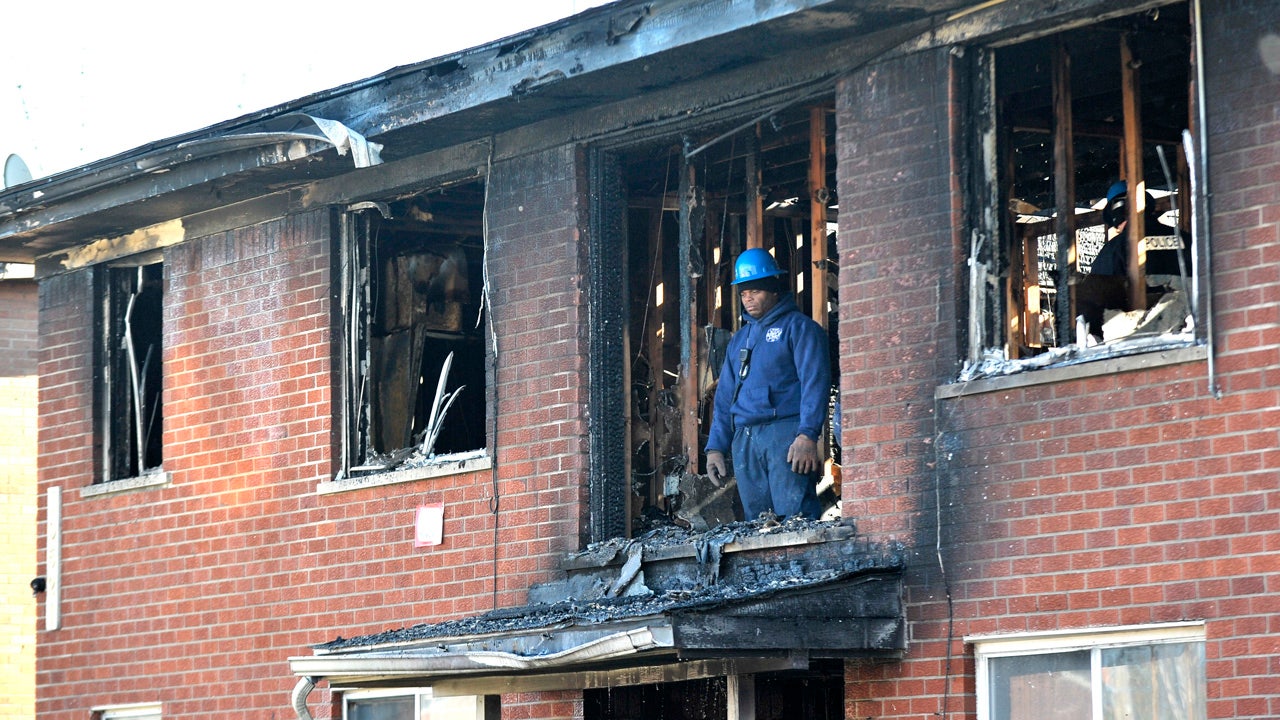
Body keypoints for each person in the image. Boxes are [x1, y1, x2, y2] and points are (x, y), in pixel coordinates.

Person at [704, 248, 831, 520]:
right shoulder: (740, 341)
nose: (748, 299)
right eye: (743, 293)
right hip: (745, 440)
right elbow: (726, 398)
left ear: (774, 289)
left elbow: (815, 384)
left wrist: (807, 435)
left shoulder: (800, 329)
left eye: (756, 291)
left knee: (794, 519)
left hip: (786, 437)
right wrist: (715, 448)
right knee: (758, 523)